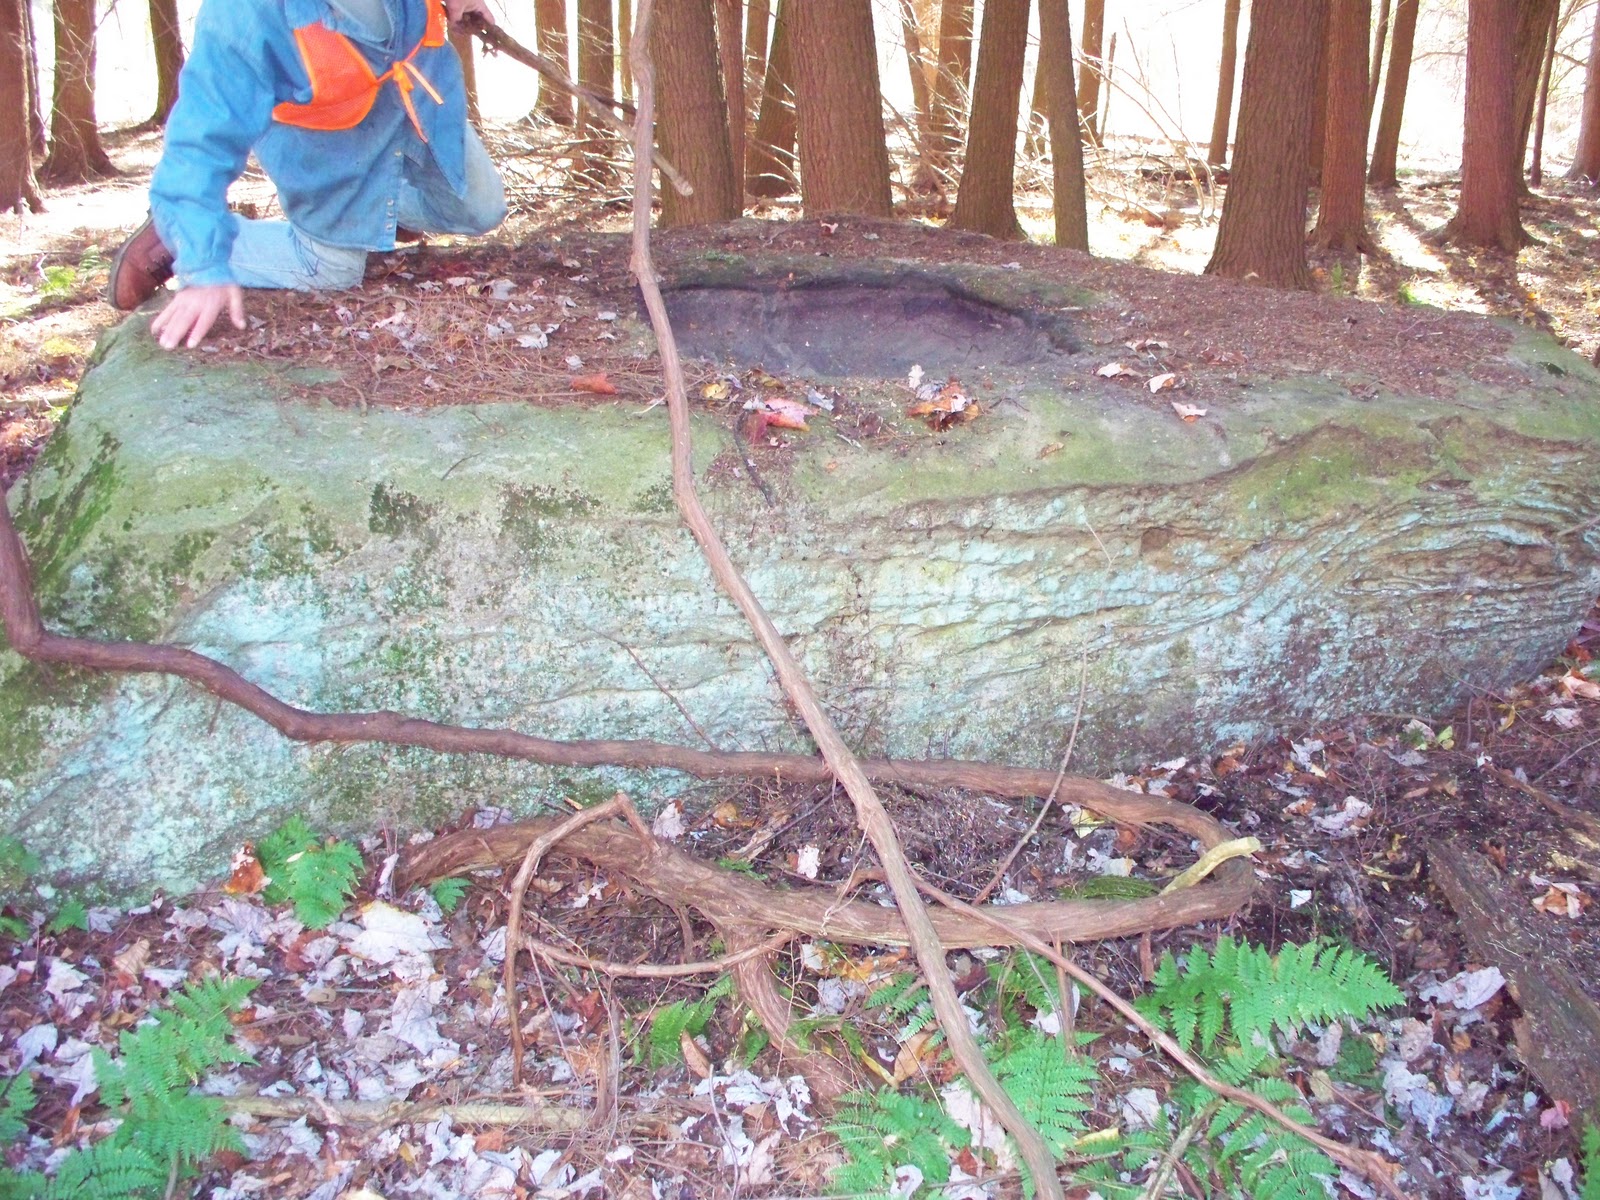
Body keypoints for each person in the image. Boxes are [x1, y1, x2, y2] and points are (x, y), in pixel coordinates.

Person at [108, 0, 508, 351]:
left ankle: (377, 210)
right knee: (332, 269)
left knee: (480, 209)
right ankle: (177, 236)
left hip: (416, 94)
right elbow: (200, 140)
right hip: (327, 139)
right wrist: (202, 262)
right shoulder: (242, 13)